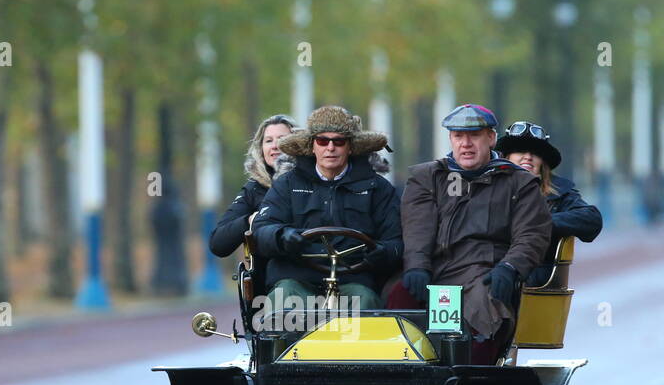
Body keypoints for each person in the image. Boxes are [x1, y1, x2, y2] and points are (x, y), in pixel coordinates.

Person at [394, 104, 551, 364]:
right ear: (450, 139)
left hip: (484, 269)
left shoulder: (519, 182)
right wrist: (417, 267)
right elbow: (416, 228)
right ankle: (396, 382)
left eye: (474, 135)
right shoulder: (427, 177)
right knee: (396, 297)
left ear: (491, 138)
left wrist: (510, 268)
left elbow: (531, 234)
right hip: (434, 268)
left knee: (488, 307)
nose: (465, 144)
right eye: (458, 136)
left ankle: (471, 381)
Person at [252, 105, 402, 314]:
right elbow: (262, 229)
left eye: (338, 141)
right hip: (295, 278)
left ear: (350, 147)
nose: (330, 148)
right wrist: (283, 236)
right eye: (323, 141)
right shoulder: (287, 184)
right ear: (312, 146)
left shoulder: (378, 188)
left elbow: (396, 241)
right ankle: (284, 348)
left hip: (354, 280)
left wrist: (382, 252)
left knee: (367, 304)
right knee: (283, 301)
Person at [496, 120, 603, 286]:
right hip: (486, 273)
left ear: (542, 162)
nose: (528, 157)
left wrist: (540, 222)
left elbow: (591, 219)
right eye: (520, 150)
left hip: (533, 281)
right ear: (506, 157)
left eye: (535, 153)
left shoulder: (559, 193)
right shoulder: (487, 187)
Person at [209, 113, 297, 297]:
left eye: (282, 139)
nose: (274, 146)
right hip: (272, 280)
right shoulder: (254, 189)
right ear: (260, 148)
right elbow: (218, 243)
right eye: (268, 141)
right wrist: (250, 220)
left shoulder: (312, 181)